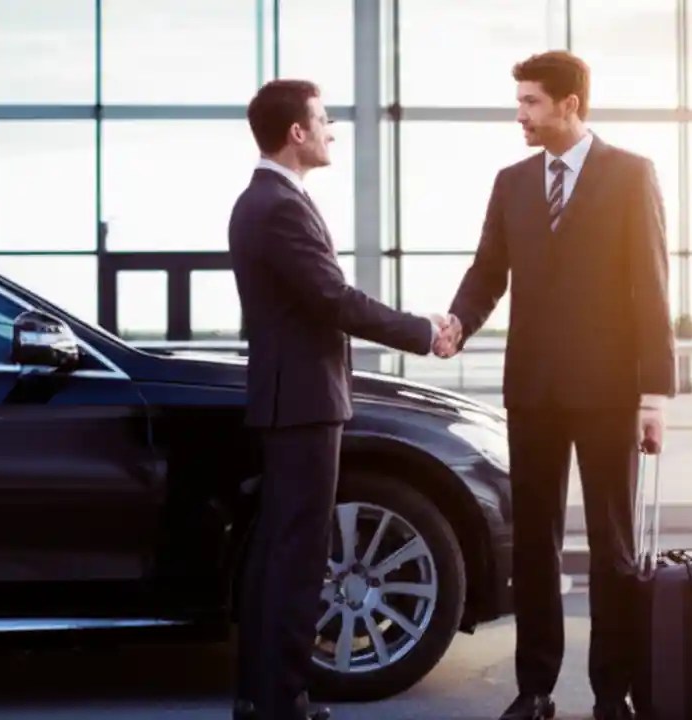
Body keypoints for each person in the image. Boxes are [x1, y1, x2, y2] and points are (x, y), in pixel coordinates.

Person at [433, 51, 675, 720]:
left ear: (570, 104)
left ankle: (611, 694)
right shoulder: (512, 182)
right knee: (535, 547)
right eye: (520, 102)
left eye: (531, 102)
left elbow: (652, 285)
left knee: (612, 548)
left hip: (610, 393)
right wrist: (457, 323)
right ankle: (534, 689)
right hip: (533, 391)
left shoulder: (631, 175)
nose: (521, 115)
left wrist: (654, 395)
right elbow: (488, 271)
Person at [228, 79, 448, 720]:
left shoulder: (265, 200)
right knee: (296, 558)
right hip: (302, 401)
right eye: (323, 120)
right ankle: (282, 701)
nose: (331, 131)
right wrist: (422, 331)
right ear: (296, 132)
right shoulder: (279, 205)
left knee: (277, 553)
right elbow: (334, 299)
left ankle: (261, 695)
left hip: (289, 398)